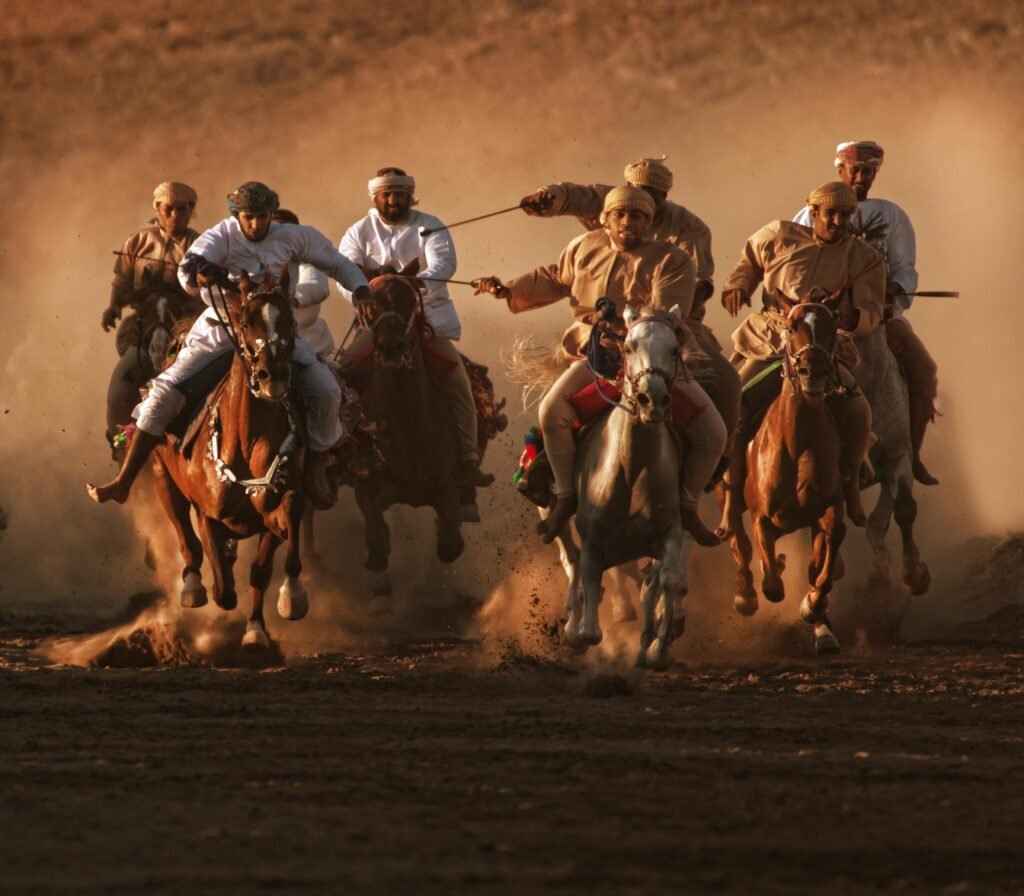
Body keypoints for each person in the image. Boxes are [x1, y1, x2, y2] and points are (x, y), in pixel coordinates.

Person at [87, 181, 372, 509]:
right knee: (160, 396)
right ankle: (124, 481)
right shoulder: (221, 234)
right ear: (237, 215)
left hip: (277, 336)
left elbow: (336, 263)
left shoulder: (294, 236)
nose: (255, 224)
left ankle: (314, 469)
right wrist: (199, 275)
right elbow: (188, 268)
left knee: (327, 391)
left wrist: (361, 289)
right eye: (248, 217)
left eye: (262, 216)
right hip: (222, 331)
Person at [475, 186, 727, 546]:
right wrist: (507, 290)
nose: (628, 223)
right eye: (620, 215)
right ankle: (564, 496)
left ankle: (687, 508)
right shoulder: (584, 247)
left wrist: (619, 324)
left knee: (715, 433)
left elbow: (663, 314)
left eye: (638, 216)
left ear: (649, 221)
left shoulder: (672, 259)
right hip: (595, 354)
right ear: (605, 219)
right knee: (551, 410)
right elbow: (553, 278)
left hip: (650, 357)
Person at [520, 156, 739, 470]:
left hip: (671, 324)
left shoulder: (689, 229)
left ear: (664, 198)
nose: (638, 204)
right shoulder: (617, 203)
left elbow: (699, 283)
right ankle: (547, 467)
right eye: (635, 191)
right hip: (596, 331)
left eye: (651, 195)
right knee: (553, 403)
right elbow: (576, 196)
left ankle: (719, 460)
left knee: (727, 380)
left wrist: (661, 314)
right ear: (609, 214)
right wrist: (548, 198)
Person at [722, 181, 884, 525]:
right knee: (731, 402)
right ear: (814, 213)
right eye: (831, 214)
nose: (839, 221)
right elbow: (748, 261)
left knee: (857, 407)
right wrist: (738, 284)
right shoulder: (778, 235)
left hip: (823, 347)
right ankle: (732, 495)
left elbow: (872, 309)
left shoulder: (865, 258)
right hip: (768, 341)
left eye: (846, 214)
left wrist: (852, 317)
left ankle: (852, 485)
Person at [337, 167, 491, 519]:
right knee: (340, 375)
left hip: (427, 319)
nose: (393, 200)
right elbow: (343, 273)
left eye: (400, 194)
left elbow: (443, 265)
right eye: (386, 194)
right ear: (375, 198)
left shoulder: (430, 225)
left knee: (459, 380)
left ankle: (468, 463)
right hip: (376, 325)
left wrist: (408, 286)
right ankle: (339, 457)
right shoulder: (357, 233)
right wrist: (362, 293)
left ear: (411, 195)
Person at [793, 141, 938, 484]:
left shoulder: (892, 215)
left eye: (867, 171)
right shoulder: (809, 212)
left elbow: (905, 268)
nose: (860, 178)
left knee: (925, 372)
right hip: (820, 320)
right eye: (854, 170)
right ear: (840, 170)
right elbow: (794, 266)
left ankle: (911, 453)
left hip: (878, 316)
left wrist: (895, 292)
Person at [103, 182, 201, 447]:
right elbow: (121, 282)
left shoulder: (200, 244)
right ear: (157, 208)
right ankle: (119, 443)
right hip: (142, 328)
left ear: (191, 211)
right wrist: (113, 307)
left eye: (182, 209)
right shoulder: (138, 241)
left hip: (187, 331)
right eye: (168, 209)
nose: (175, 215)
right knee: (119, 391)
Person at [272, 208, 335, 360]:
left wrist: (287, 299)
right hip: (251, 342)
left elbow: (317, 286)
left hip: (308, 344)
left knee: (327, 385)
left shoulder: (308, 259)